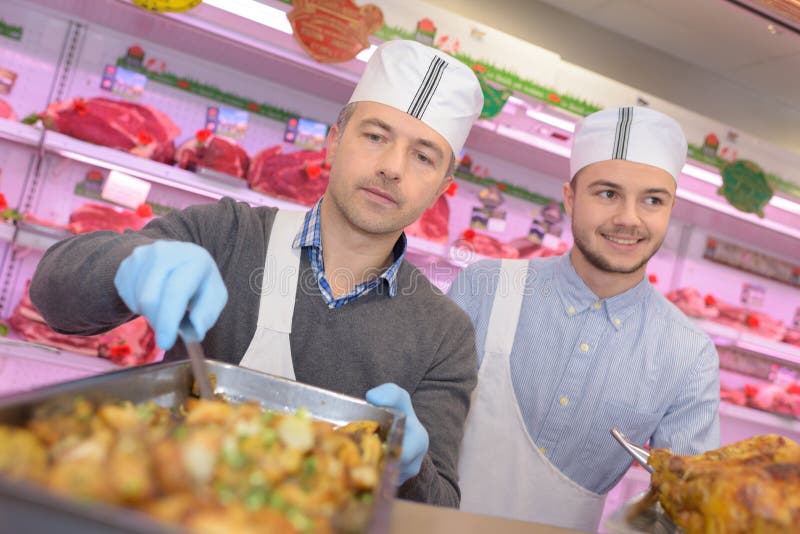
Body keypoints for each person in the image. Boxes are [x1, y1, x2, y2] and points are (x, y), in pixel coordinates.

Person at [30, 40, 484, 507]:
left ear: (442, 189)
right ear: (334, 139)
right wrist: (123, 268)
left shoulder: (445, 335)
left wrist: (411, 470)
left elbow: (438, 506)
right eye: (375, 136)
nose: (391, 167)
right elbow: (52, 297)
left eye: (423, 156)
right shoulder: (226, 233)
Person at [448, 106, 720, 530]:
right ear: (570, 198)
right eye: (607, 193)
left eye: (652, 200)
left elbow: (684, 508)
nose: (629, 218)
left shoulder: (688, 354)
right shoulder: (485, 286)